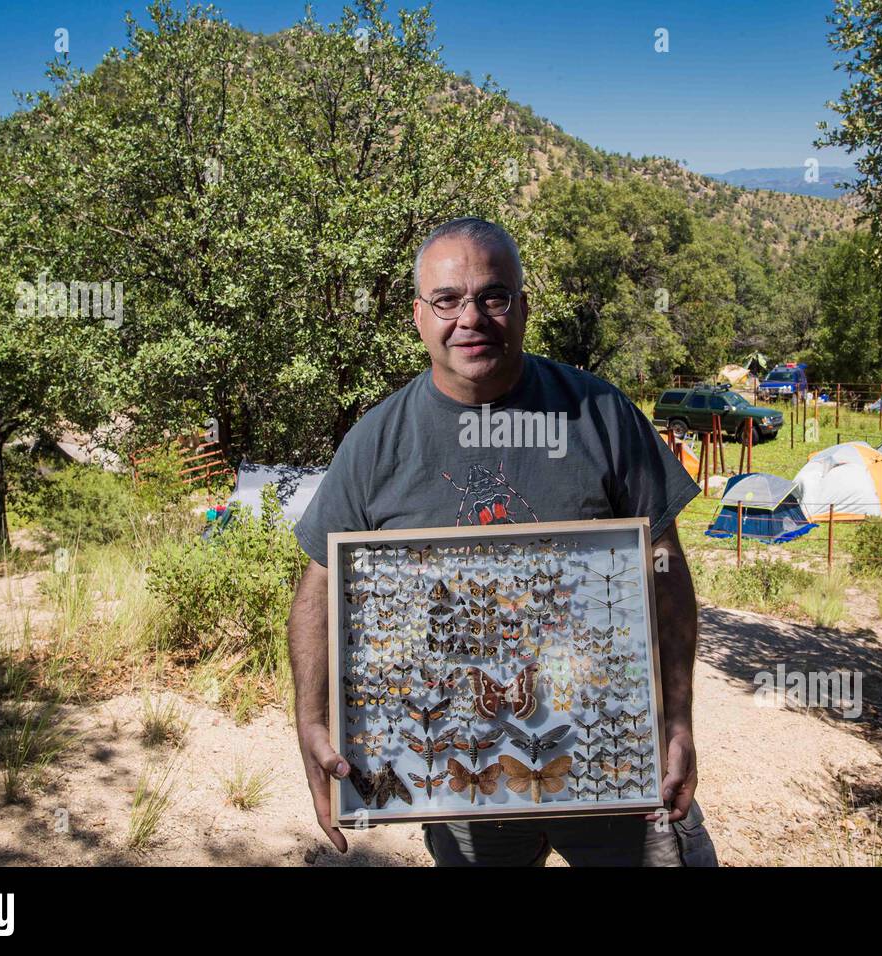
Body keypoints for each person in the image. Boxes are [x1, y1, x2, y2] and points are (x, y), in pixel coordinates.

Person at [288, 216, 716, 866]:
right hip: (461, 780)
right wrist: (313, 722)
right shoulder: (375, 443)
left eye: (493, 297)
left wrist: (678, 720)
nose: (471, 318)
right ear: (418, 315)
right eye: (447, 300)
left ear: (522, 307)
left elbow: (665, 570)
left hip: (616, 765)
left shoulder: (601, 415)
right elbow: (319, 588)